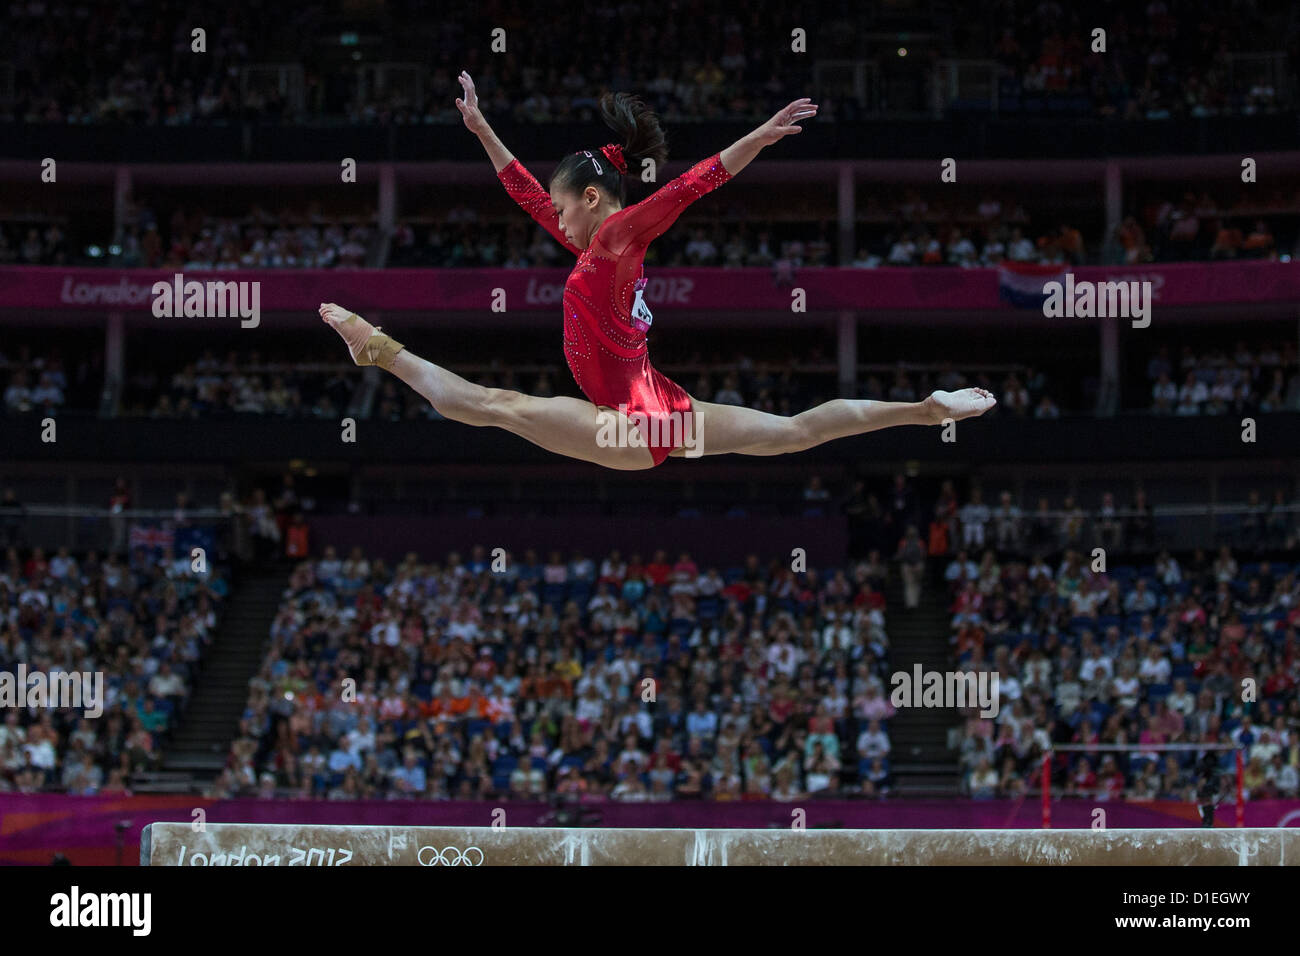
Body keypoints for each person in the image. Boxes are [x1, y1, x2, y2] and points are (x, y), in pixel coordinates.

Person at [320, 72, 996, 469]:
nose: (554, 218)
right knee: (794, 431)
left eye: (564, 207)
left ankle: (375, 350)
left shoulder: (614, 237)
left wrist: (756, 138)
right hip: (666, 411)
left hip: (628, 425)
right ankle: (926, 411)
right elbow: (527, 191)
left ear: (592, 200)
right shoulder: (594, 247)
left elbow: (688, 188)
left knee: (497, 407)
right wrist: (482, 131)